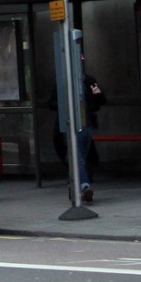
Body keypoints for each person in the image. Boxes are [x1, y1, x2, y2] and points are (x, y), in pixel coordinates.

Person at [48, 64, 106, 202]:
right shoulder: (63, 84)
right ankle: (85, 186)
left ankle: (72, 184)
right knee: (78, 158)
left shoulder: (89, 81)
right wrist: (64, 106)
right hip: (71, 125)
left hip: (86, 125)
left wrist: (94, 100)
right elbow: (51, 102)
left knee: (79, 158)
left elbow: (101, 98)